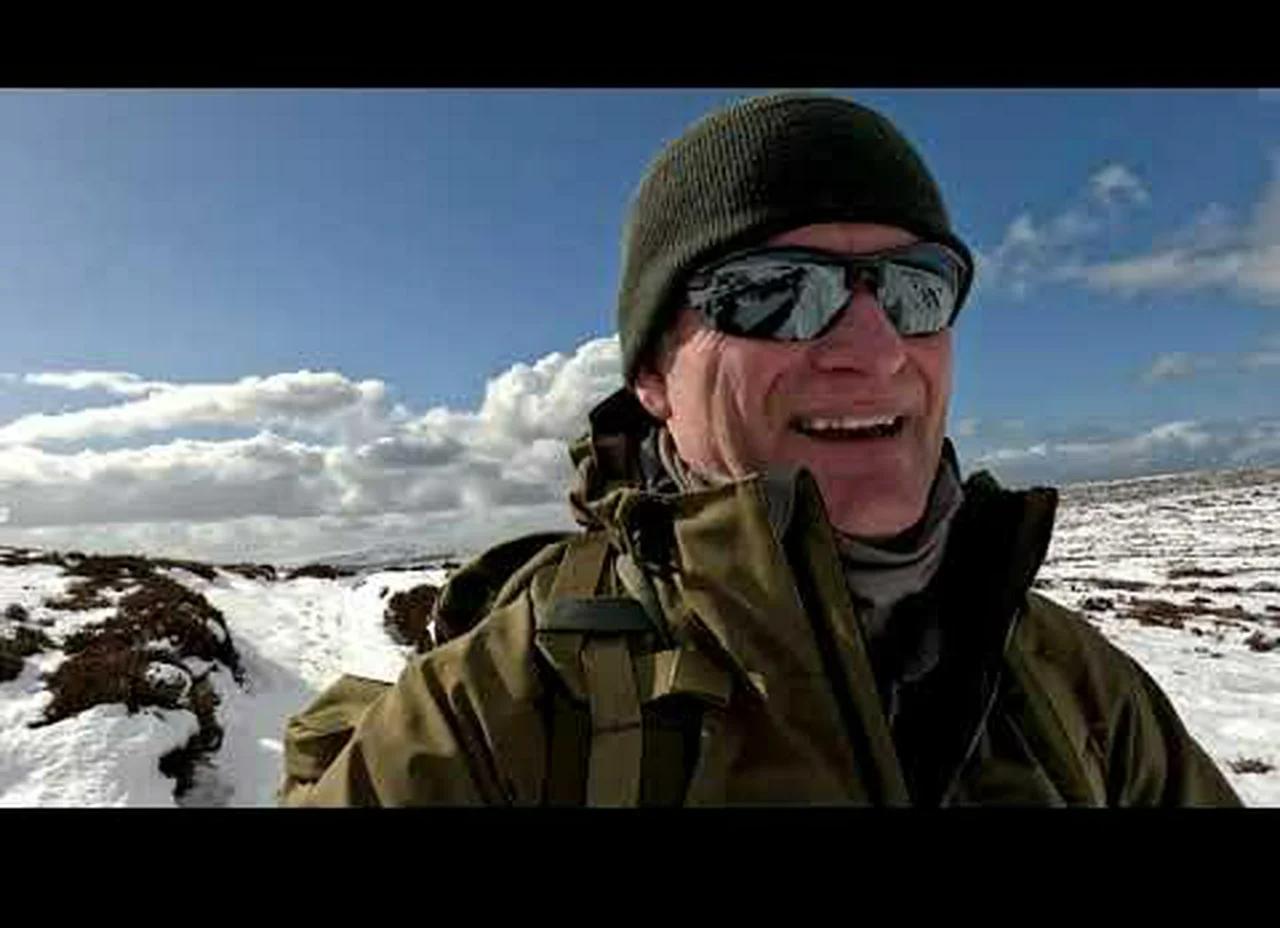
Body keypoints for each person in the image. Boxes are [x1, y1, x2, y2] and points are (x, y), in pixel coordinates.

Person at [281, 91, 1241, 807]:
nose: (872, 352)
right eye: (776, 291)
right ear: (654, 374)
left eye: (914, 290)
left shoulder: (1075, 689)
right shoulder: (497, 714)